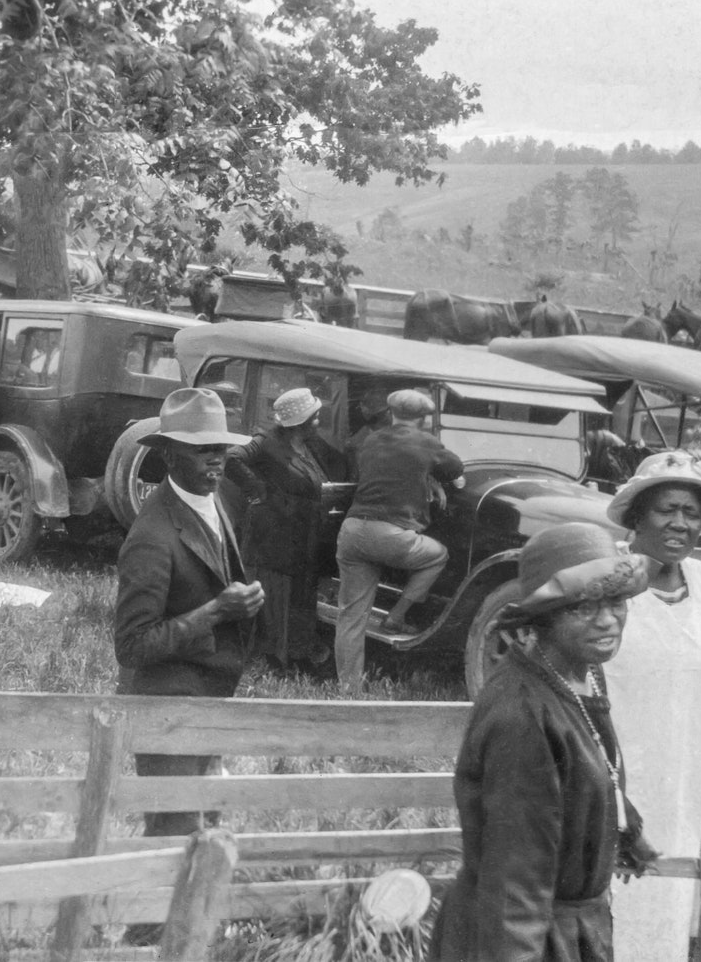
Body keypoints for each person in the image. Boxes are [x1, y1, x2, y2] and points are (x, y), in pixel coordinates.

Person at [430, 524, 657, 962]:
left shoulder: (578, 674)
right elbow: (515, 884)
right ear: (544, 616)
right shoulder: (522, 716)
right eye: (583, 607)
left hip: (567, 933)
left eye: (615, 601)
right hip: (523, 939)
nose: (608, 619)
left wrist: (621, 830)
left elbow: (588, 769)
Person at [602, 450, 701, 962]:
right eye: (666, 509)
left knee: (668, 906)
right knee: (611, 905)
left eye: (691, 512)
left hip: (684, 786)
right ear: (637, 513)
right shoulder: (610, 581)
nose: (679, 523)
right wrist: (612, 798)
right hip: (616, 782)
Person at [114, 388, 264, 837]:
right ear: (168, 456)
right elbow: (132, 646)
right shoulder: (151, 536)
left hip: (210, 698)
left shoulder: (216, 501)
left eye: (219, 448)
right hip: (166, 707)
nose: (215, 460)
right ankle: (148, 908)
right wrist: (217, 611)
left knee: (206, 822)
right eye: (200, 451)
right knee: (174, 832)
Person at [334, 389, 464, 688]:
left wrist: (426, 477)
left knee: (351, 616)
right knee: (438, 555)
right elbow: (455, 469)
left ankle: (348, 689)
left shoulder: (371, 440)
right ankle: (396, 615)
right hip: (392, 536)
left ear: (391, 413)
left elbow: (391, 469)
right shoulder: (427, 442)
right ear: (424, 419)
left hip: (353, 531)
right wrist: (435, 479)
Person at [226, 388, 333, 669]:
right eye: (316, 417)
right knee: (275, 592)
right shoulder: (266, 441)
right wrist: (258, 489)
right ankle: (270, 656)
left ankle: (295, 653)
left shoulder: (308, 445)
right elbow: (231, 459)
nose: (319, 422)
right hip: (272, 532)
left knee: (298, 593)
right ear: (303, 421)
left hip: (299, 531)